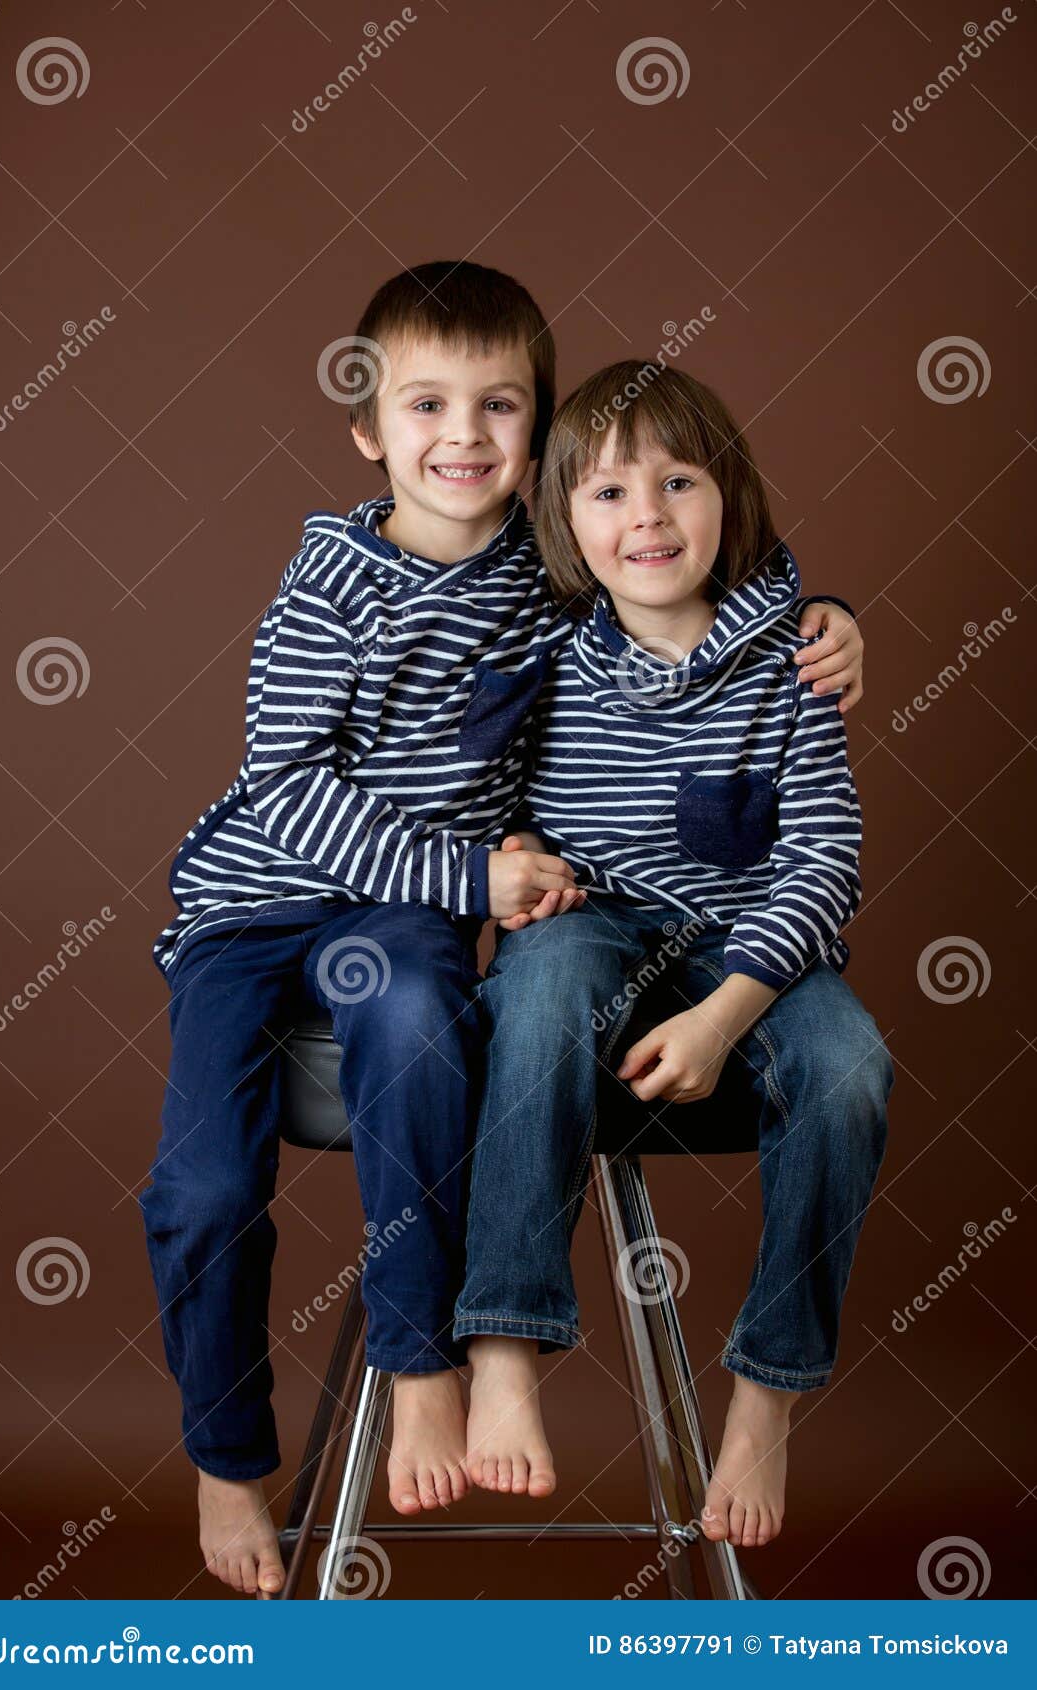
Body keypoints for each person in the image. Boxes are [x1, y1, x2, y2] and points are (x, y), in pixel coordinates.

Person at [140, 259, 860, 1595]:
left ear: (537, 438)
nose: (461, 435)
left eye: (498, 406)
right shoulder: (324, 588)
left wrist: (827, 618)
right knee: (202, 1191)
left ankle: (425, 1364)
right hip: (260, 903)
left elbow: (683, 572)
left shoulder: (553, 567)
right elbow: (286, 790)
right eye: (425, 405)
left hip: (409, 917)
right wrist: (474, 880)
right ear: (368, 430)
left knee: (422, 1023)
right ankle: (224, 1455)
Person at [453, 360, 892, 1551]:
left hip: (752, 953)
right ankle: (504, 1339)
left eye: (676, 482)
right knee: (542, 981)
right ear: (563, 521)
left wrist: (721, 1015)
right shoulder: (541, 649)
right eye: (606, 492)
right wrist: (506, 851)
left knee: (848, 1069)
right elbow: (455, 779)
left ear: (727, 495)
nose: (644, 515)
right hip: (588, 927)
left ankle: (766, 1392)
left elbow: (821, 864)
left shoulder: (794, 659)